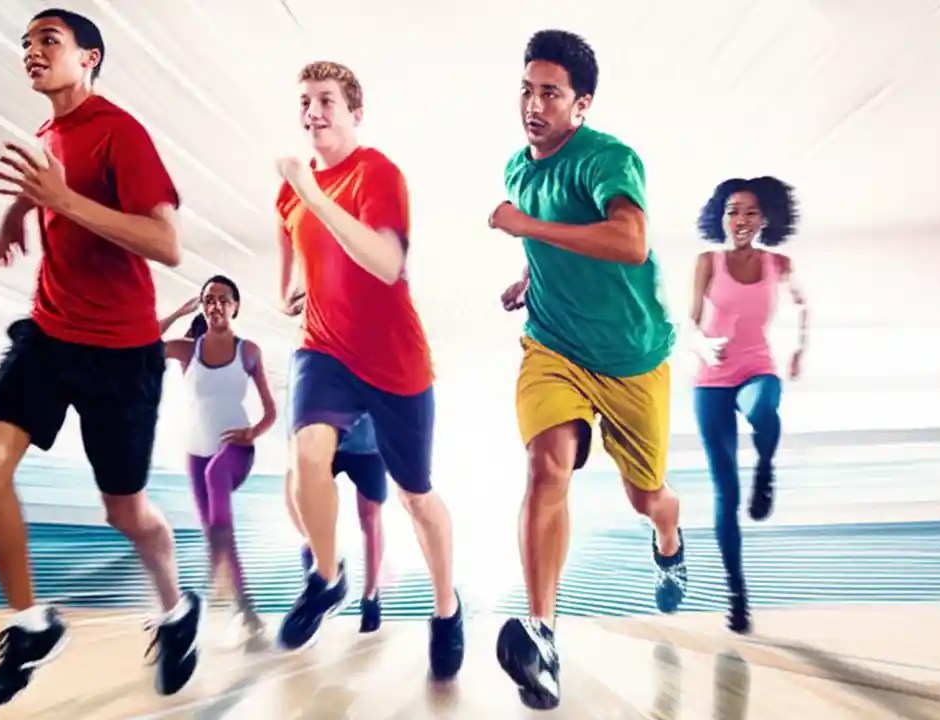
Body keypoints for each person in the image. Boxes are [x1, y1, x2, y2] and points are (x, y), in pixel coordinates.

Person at [0, 8, 200, 708]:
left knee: (125, 513)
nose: (32, 52)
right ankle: (32, 627)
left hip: (121, 356)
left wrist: (61, 199)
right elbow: (50, 197)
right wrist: (18, 215)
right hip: (48, 335)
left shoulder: (121, 132)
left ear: (89, 57)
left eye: (49, 40)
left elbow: (166, 244)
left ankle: (176, 610)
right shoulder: (48, 135)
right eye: (26, 43)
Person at [490, 29, 686, 710]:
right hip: (553, 345)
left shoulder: (608, 158)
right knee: (546, 465)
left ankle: (669, 537)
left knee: (647, 497)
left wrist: (528, 231)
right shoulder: (519, 170)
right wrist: (529, 275)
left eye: (551, 93)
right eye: (527, 89)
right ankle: (542, 635)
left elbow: (629, 241)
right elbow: (552, 233)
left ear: (582, 104)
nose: (533, 105)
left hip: (632, 358)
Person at [273, 60, 463, 678]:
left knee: (415, 497)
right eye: (305, 101)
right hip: (323, 349)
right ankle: (327, 578)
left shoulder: (377, 172)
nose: (313, 112)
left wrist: (313, 193)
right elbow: (291, 273)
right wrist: (295, 291)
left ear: (355, 112)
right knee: (306, 457)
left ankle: (446, 608)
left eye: (326, 100)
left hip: (393, 360)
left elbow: (386, 263)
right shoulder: (291, 192)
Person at [690, 176, 808, 634]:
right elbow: (690, 321)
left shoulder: (779, 264)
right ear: (721, 217)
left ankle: (765, 467)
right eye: (733, 211)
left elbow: (803, 305)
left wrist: (800, 348)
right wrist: (703, 345)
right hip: (711, 382)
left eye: (751, 212)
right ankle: (737, 594)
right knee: (726, 494)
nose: (740, 219)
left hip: (757, 367)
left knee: (763, 409)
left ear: (765, 219)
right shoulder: (707, 262)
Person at [159, 275, 277, 645]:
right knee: (220, 531)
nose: (215, 305)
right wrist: (178, 313)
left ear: (235, 306)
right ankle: (248, 613)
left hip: (236, 449)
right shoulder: (186, 350)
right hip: (196, 451)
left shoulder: (249, 351)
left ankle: (216, 566)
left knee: (216, 481)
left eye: (223, 299)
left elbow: (271, 411)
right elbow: (141, 342)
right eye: (208, 299)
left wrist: (252, 432)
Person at [278, 279, 388, 634]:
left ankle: (371, 595)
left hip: (368, 438)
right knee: (297, 489)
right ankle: (328, 565)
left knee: (370, 516)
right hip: (323, 429)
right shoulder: (317, 318)